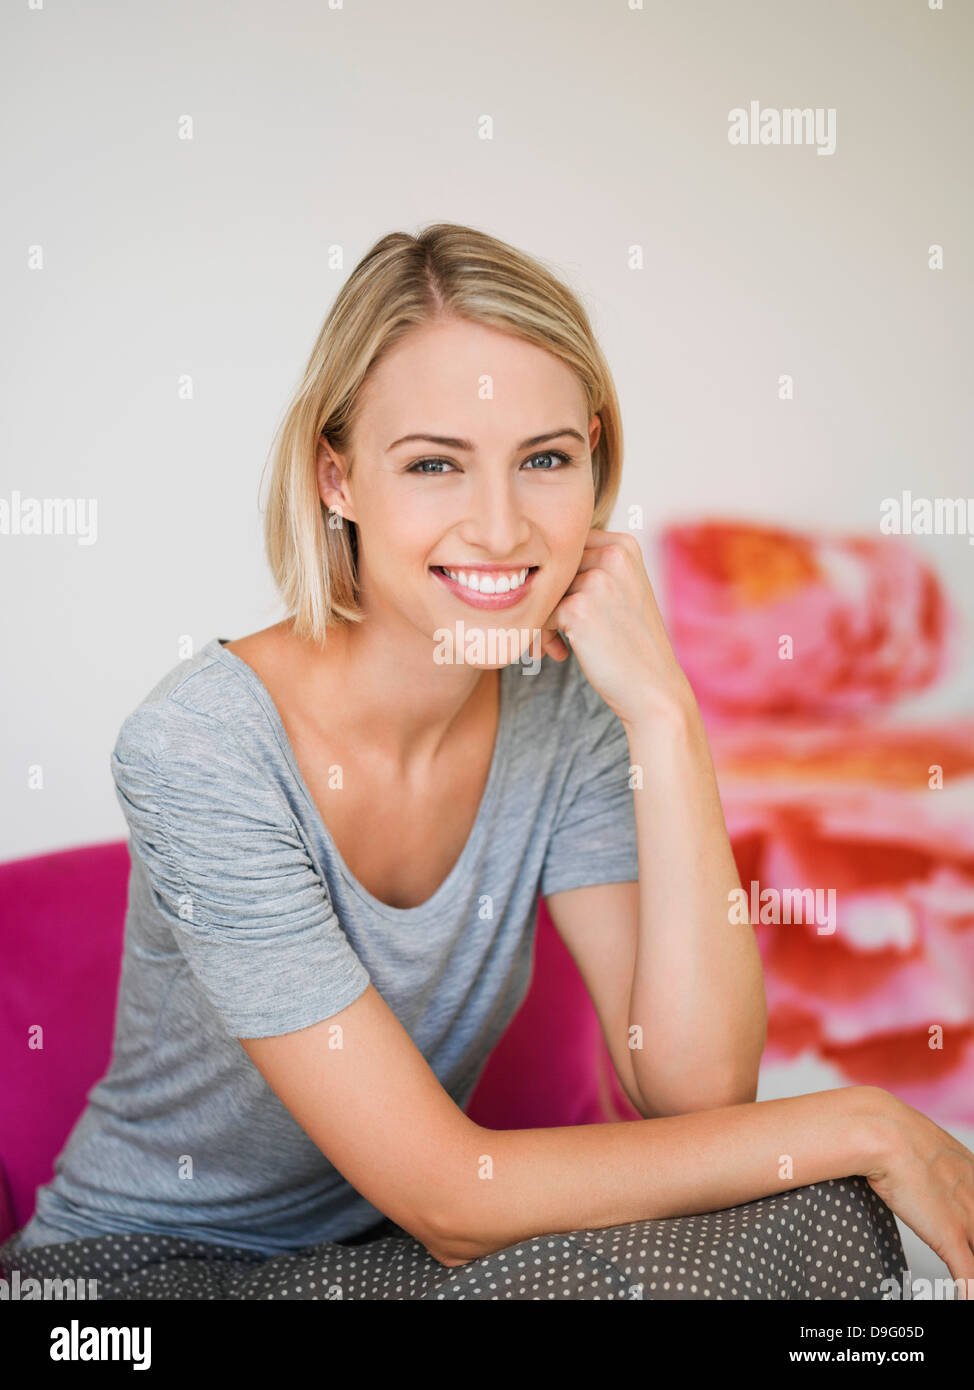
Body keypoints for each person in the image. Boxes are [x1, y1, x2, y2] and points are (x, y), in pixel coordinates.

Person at [2, 223, 970, 1301]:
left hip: (381, 1266)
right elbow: (455, 1199)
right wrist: (866, 1120)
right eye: (433, 465)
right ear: (336, 477)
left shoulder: (565, 702)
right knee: (823, 1161)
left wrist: (662, 710)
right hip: (138, 1281)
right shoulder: (201, 747)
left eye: (545, 459)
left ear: (594, 459)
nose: (503, 528)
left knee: (810, 1207)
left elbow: (697, 1092)